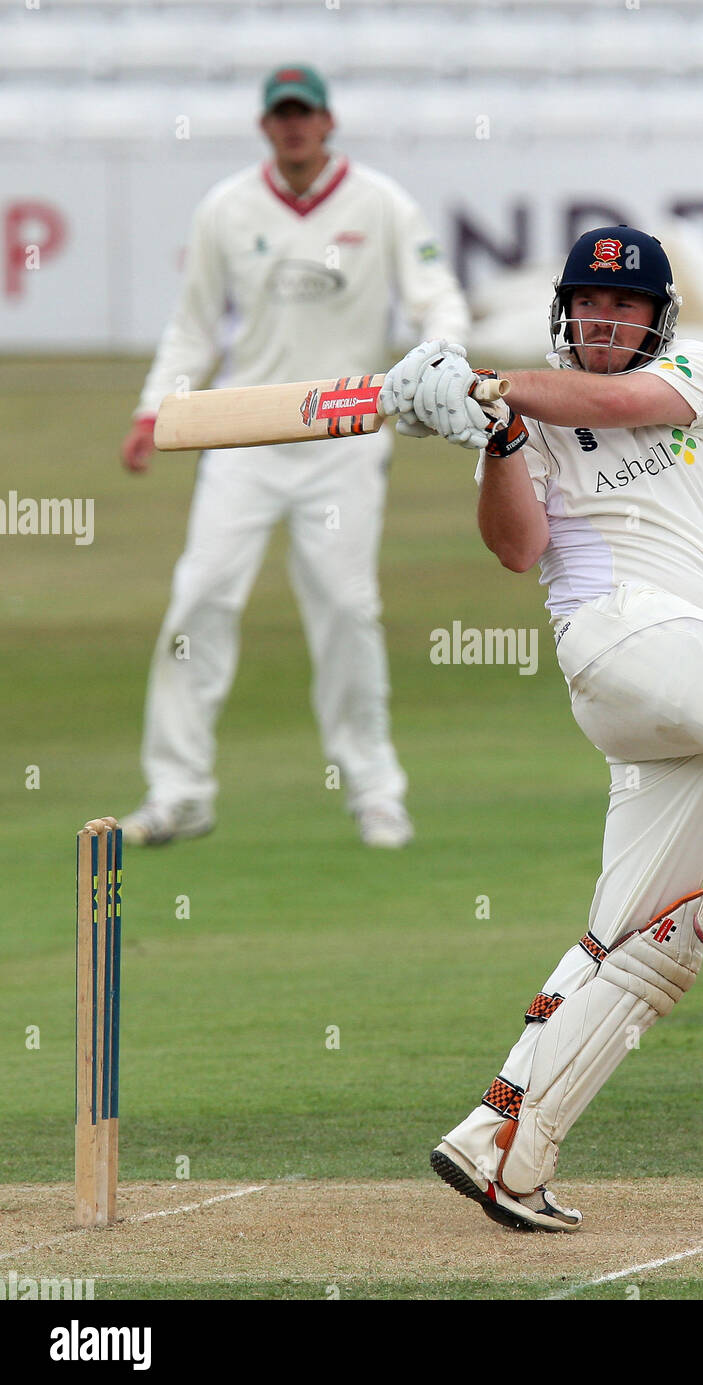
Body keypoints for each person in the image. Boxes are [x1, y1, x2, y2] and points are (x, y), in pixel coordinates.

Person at [378, 225, 703, 1230]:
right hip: (618, 647)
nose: (604, 320)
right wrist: (494, 438)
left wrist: (486, 387)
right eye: (587, 304)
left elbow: (616, 403)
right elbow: (512, 547)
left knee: (643, 940)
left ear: (656, 318)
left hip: (689, 683)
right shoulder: (529, 419)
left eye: (623, 306)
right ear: (563, 314)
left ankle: (501, 1144)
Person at [120, 64, 470, 848]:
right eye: (281, 115)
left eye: (304, 114)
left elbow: (435, 294)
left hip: (344, 436)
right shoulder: (226, 207)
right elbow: (194, 326)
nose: (294, 127)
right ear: (265, 126)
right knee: (199, 598)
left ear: (328, 120)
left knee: (346, 608)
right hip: (243, 433)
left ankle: (375, 789)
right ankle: (179, 792)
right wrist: (155, 408)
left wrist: (445, 356)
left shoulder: (379, 202)